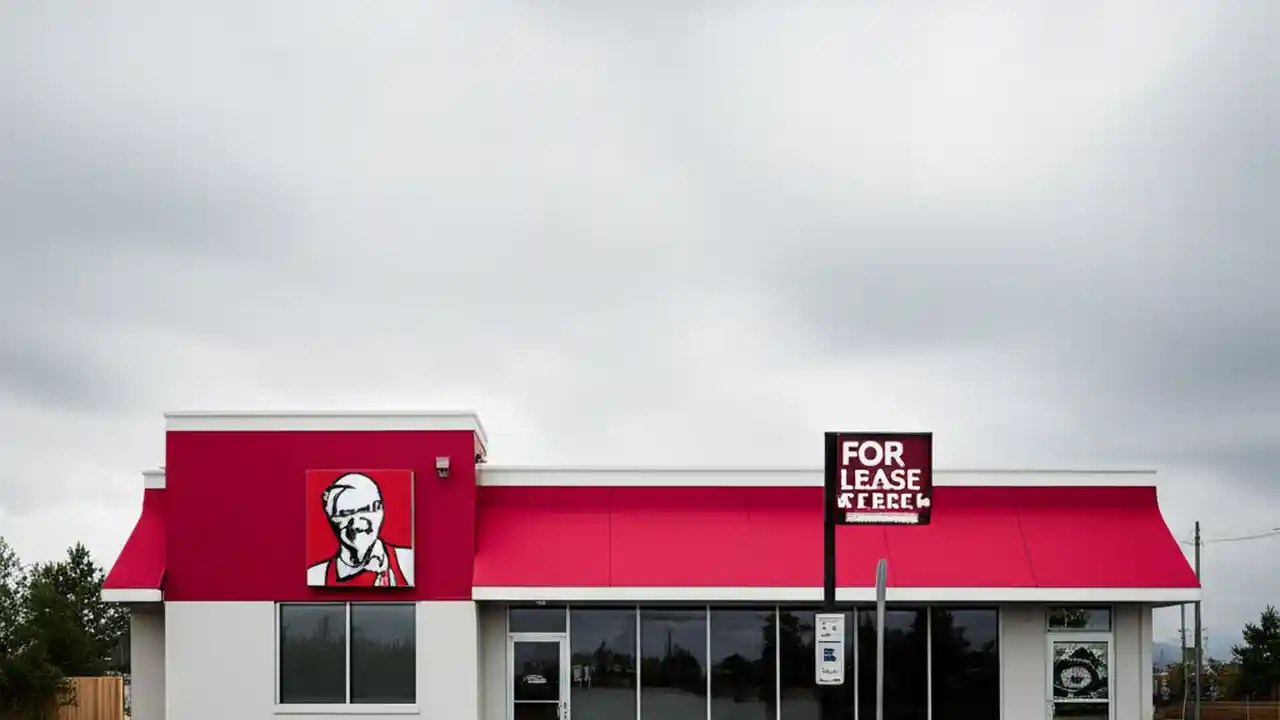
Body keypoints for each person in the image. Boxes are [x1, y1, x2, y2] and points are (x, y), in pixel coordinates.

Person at [306, 472, 413, 587]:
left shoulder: (409, 562)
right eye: (345, 514)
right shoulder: (316, 577)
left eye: (366, 510)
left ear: (381, 510)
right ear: (330, 518)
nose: (357, 524)